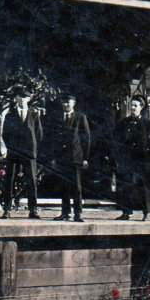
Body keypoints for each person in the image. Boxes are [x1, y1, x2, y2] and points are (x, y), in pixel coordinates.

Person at [43, 94, 93, 222]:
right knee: (63, 186)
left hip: (76, 158)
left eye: (69, 102)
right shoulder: (57, 118)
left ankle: (78, 213)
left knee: (76, 187)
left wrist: (85, 158)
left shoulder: (80, 117)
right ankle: (65, 212)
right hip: (61, 158)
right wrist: (53, 157)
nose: (66, 105)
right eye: (64, 102)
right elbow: (53, 139)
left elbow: (86, 138)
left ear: (74, 103)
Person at [113, 97, 150, 221]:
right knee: (126, 185)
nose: (133, 108)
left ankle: (145, 212)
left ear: (141, 107)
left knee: (142, 186)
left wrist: (148, 151)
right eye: (132, 105)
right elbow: (116, 139)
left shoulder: (147, 123)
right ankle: (126, 212)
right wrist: (119, 154)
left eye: (136, 105)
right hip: (127, 159)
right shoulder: (124, 122)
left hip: (141, 160)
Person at [1, 94, 43, 219]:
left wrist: (33, 148)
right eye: (20, 97)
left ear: (28, 99)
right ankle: (7, 210)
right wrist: (11, 147)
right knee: (10, 180)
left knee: (32, 181)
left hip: (29, 153)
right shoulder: (9, 115)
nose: (22, 100)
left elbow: (39, 134)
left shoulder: (34, 115)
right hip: (14, 152)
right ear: (16, 99)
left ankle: (33, 210)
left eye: (25, 97)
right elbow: (5, 134)